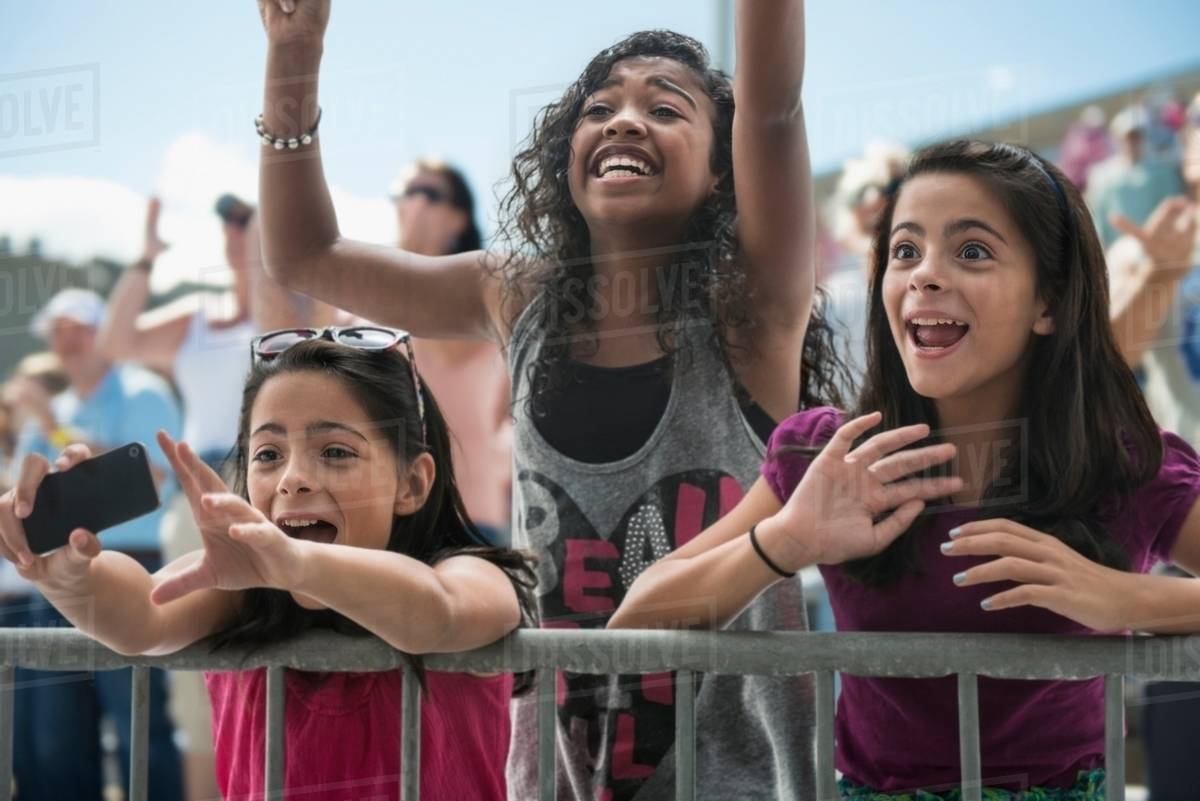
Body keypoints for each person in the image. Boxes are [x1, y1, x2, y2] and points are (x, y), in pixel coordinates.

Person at [252, 1, 844, 798]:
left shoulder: (751, 311)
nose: (625, 121)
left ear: (721, 172)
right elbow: (305, 253)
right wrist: (295, 52)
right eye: (599, 109)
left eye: (665, 108)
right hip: (551, 777)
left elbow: (773, 110)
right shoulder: (516, 298)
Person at [611, 140, 1200, 799]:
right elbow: (631, 630)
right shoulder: (828, 454)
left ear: (1050, 302)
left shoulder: (1122, 461)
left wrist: (1118, 596)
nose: (924, 275)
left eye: (972, 250)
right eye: (905, 251)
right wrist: (784, 542)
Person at [0, 328, 538, 801]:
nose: (292, 478)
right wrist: (69, 575)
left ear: (413, 482)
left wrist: (295, 563)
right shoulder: (242, 588)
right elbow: (141, 614)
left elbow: (437, 613)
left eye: (335, 452)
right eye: (268, 454)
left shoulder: (472, 574)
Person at [10, 287, 184, 801]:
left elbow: (151, 479)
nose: (67, 341)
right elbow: (22, 500)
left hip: (132, 567)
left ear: (100, 331)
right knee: (58, 740)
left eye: (79, 328)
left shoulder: (142, 391)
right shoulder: (56, 408)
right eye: (58, 331)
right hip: (59, 578)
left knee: (140, 727)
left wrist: (53, 429)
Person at [389, 160, 511, 545]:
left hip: (473, 520)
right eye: (405, 194)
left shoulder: (489, 293)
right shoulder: (368, 311)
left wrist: (410, 259)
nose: (413, 206)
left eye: (427, 195)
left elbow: (450, 352)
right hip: (392, 519)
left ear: (459, 218)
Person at [1087, 104, 1185, 249]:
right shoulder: (1101, 176)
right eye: (1128, 136)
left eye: (1137, 135)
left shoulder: (1163, 169)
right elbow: (1099, 221)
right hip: (1122, 252)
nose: (1132, 141)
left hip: (1159, 247)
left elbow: (1176, 209)